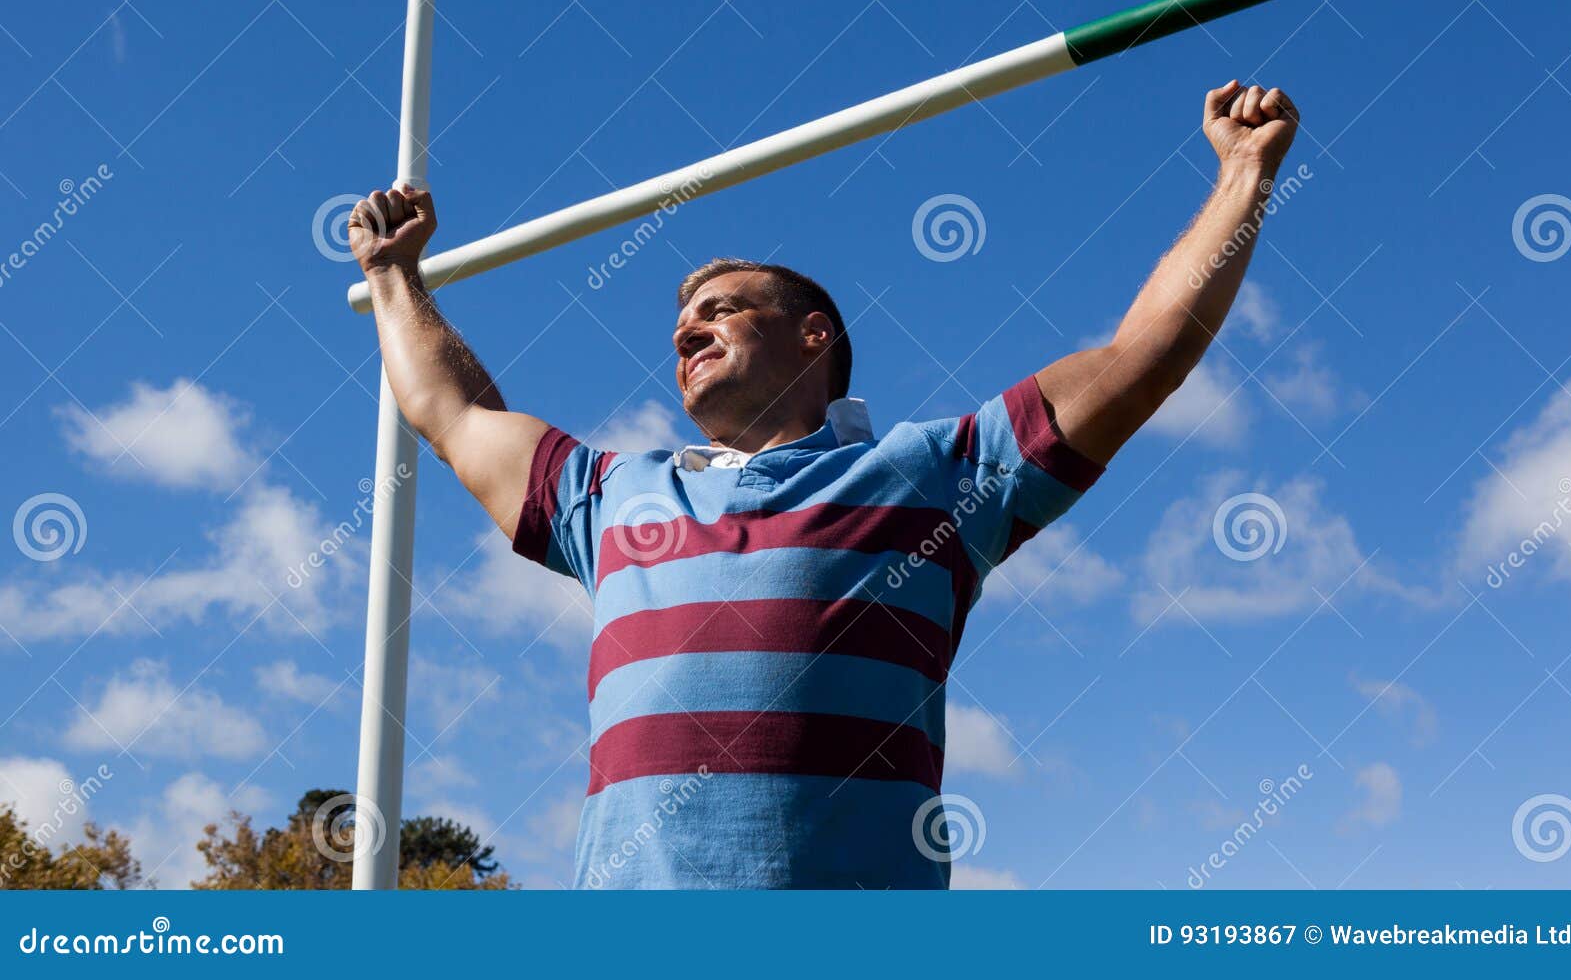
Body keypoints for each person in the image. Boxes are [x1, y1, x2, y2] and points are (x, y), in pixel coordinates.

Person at [349, 79, 1299, 888]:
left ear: (814, 336)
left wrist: (1243, 174)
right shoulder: (612, 495)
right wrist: (394, 276)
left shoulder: (932, 474)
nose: (685, 330)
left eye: (720, 309)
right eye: (680, 324)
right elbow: (452, 415)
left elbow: (1142, 357)